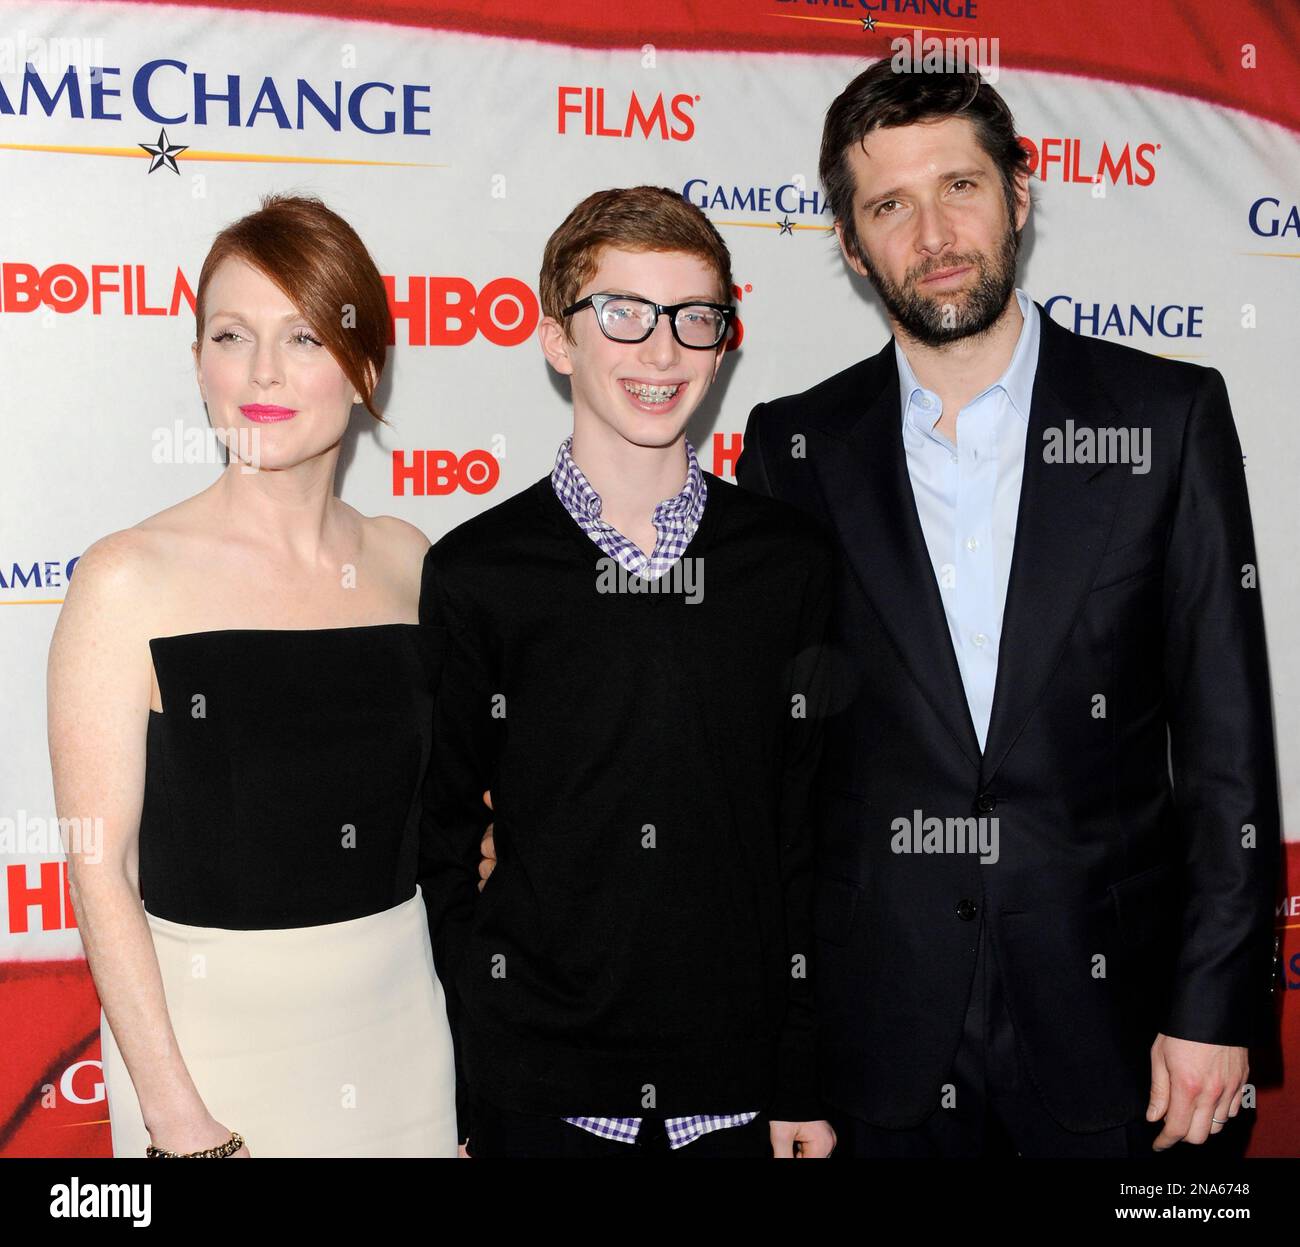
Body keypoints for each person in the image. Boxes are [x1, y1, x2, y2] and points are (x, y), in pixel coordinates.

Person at [734, 61, 1280, 1157]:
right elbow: (780, 782)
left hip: (1119, 1026)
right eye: (888, 204)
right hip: (876, 1030)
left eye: (961, 187)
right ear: (849, 243)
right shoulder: (792, 448)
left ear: (1019, 197)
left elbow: (1228, 747)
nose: (932, 232)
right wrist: (787, 1049)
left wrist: (1212, 1008)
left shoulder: (1165, 419)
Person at [419, 185, 837, 1158]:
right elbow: (439, 839)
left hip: (739, 1098)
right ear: (557, 339)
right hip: (544, 1100)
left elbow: (810, 831)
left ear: (725, 340)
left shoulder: (789, 562)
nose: (660, 352)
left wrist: (800, 1071)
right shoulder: (480, 569)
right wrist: (486, 1060)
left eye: (694, 318)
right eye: (623, 313)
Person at [47, 193, 458, 1158]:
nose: (263, 372)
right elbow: (98, 870)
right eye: (233, 334)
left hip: (407, 1033)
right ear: (199, 362)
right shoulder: (125, 578)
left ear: (365, 369)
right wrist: (176, 1118)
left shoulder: (410, 561)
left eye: (306, 336)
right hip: (209, 1062)